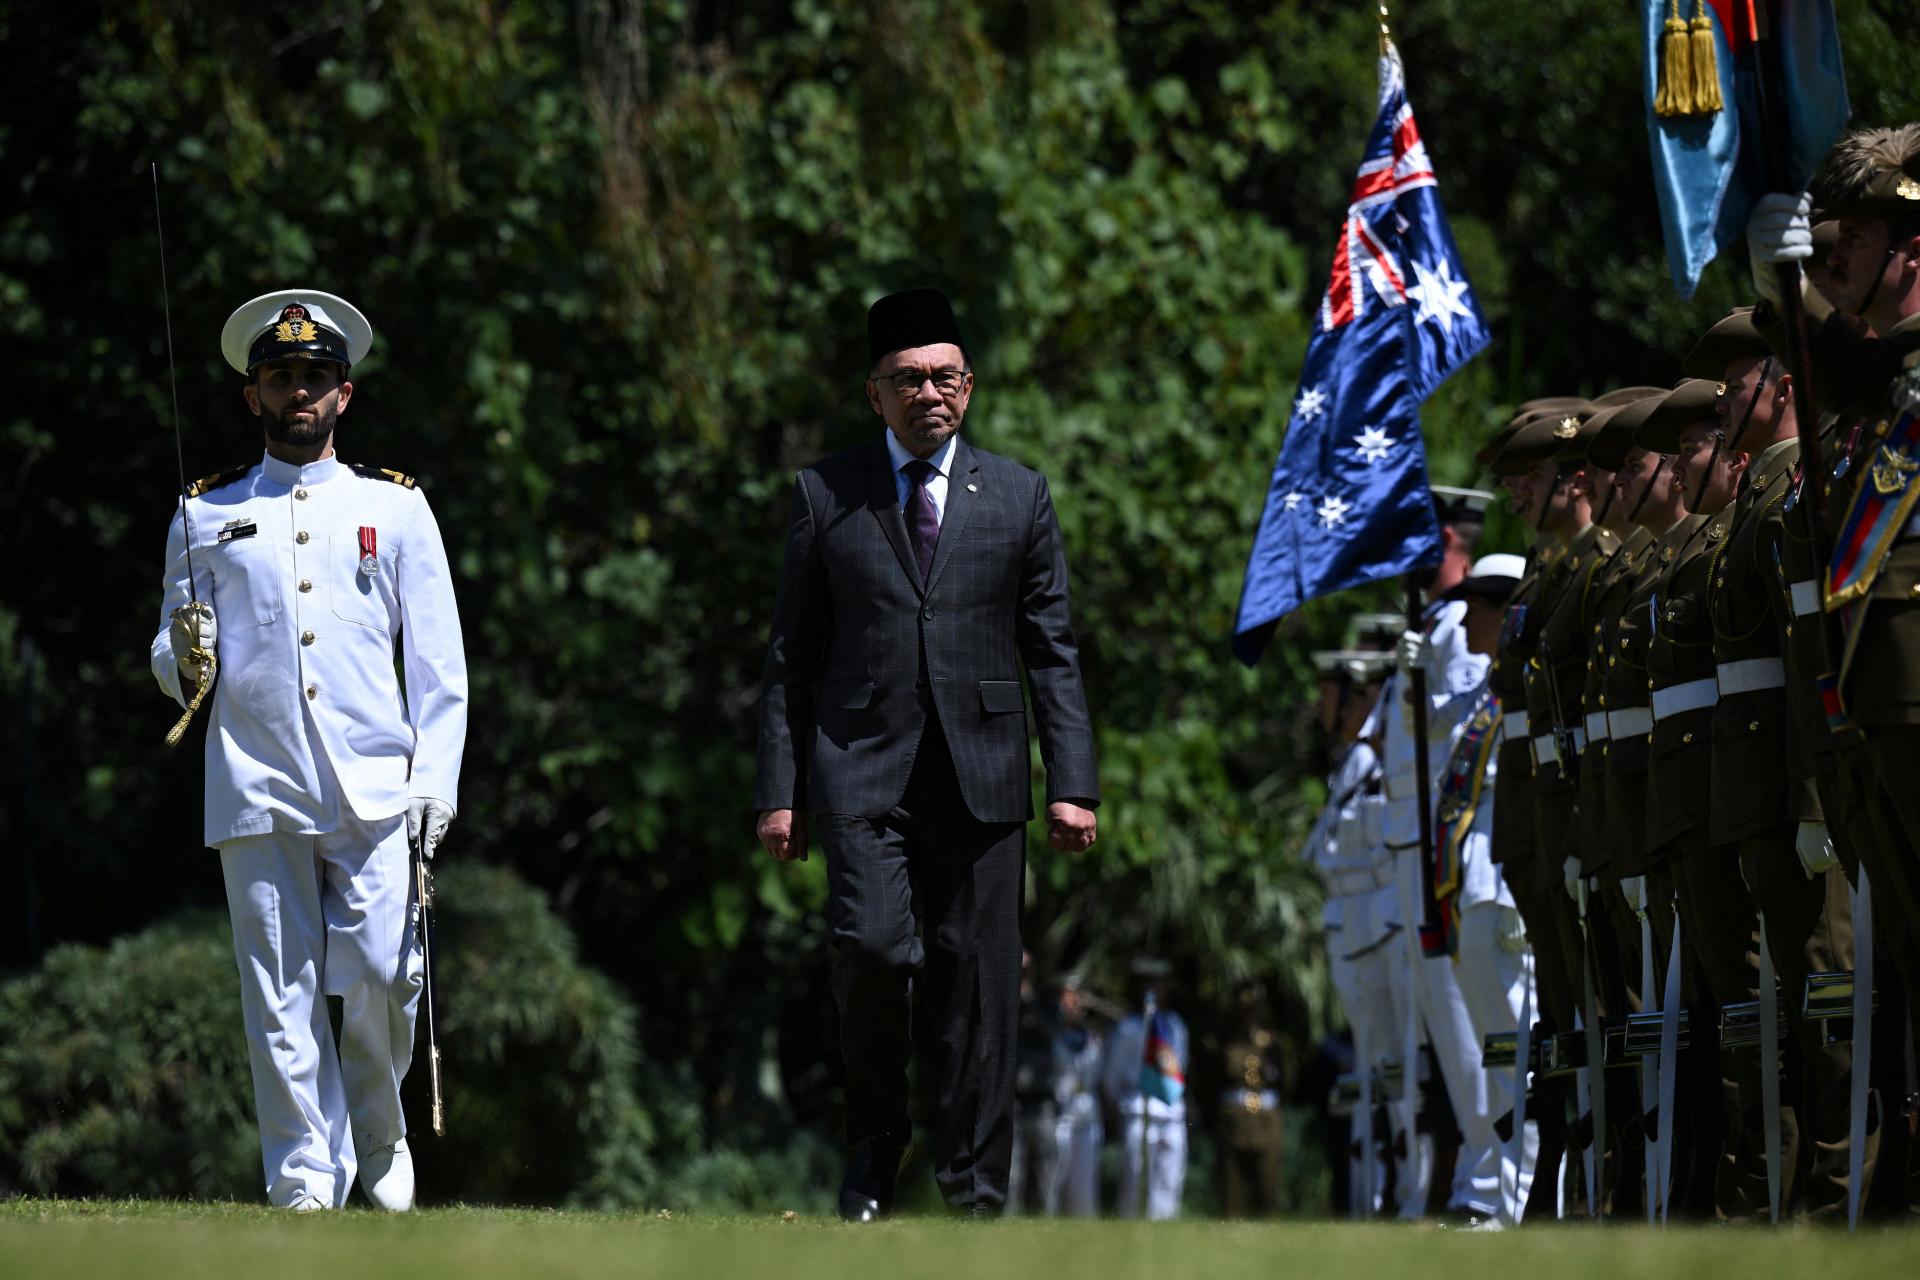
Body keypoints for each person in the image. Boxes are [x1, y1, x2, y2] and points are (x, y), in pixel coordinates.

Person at [752, 287, 1100, 1219]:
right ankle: (875, 1145)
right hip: (860, 767)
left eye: (945, 376)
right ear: (875, 395)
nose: (929, 393)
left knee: (979, 993)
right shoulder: (826, 494)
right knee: (870, 952)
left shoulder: (1019, 495)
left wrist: (1073, 784)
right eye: (907, 379)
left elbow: (1052, 648)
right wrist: (778, 792)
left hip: (984, 776)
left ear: (971, 388)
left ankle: (976, 1191)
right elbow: (792, 653)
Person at [151, 290, 468, 1212]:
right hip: (256, 775)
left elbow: (439, 664)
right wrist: (183, 652)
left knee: (380, 973)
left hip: (374, 781)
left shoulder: (395, 507)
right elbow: (170, 659)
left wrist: (432, 783)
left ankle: (377, 1122)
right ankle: (303, 1179)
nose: (299, 392)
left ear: (344, 394)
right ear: (253, 395)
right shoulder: (205, 510)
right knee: (279, 992)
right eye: (281, 378)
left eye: (315, 378)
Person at [1381, 485, 1507, 1226]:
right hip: (1415, 839)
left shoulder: (1463, 623)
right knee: (1445, 1018)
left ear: (1451, 538)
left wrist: (1421, 688)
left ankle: (1493, 1183)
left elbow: (1462, 733)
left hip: (1448, 840)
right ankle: (1476, 1178)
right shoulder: (1433, 622)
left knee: (1470, 1017)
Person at [1434, 550, 1537, 1225]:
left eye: (1477, 606)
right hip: (1475, 882)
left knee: (1517, 1045)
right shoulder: (1485, 692)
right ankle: (1501, 1195)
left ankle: (1523, 1195)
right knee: (1496, 1048)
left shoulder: (1524, 685)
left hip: (1505, 881)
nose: (1465, 617)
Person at [1104, 960, 1189, 1219]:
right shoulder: (1128, 1027)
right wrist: (1122, 1104)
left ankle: (1165, 1225)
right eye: (1148, 984)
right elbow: (1112, 1076)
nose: (1154, 990)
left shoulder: (1174, 1025)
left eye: (1159, 984)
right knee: (1136, 1179)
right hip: (1138, 1109)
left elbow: (1179, 1066)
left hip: (1170, 1110)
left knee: (1170, 1178)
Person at [1215, 981, 1289, 1218]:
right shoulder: (1222, 1041)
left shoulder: (1276, 1044)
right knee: (1231, 1191)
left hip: (1266, 1119)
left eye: (1254, 1008)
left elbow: (1288, 1081)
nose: (1249, 1015)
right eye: (1244, 1009)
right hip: (1234, 1117)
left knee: (1267, 1189)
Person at [1047, 976, 1105, 1217]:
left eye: (1077, 997)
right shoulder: (1051, 1035)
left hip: (1087, 1115)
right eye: (1068, 997)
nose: (1073, 1003)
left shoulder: (1093, 1038)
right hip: (1060, 1115)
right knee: (1054, 1185)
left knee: (1085, 1188)